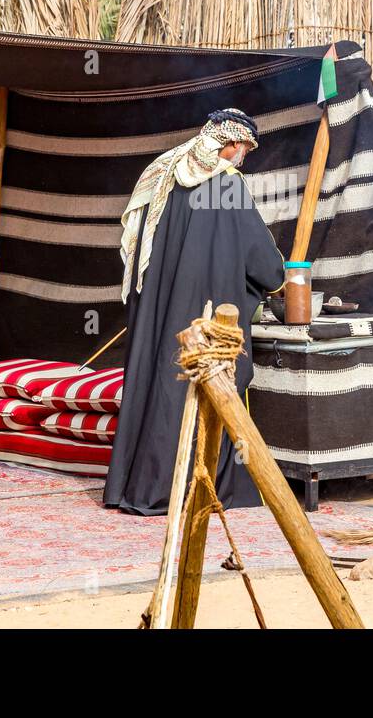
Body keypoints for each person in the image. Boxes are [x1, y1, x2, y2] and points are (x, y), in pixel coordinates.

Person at [104, 108, 285, 516]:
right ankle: (183, 487)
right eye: (245, 151)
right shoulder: (224, 184)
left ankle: (135, 485)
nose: (244, 159)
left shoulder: (162, 174)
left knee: (158, 383)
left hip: (157, 306)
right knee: (191, 388)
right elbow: (261, 261)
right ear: (233, 145)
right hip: (201, 311)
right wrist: (279, 277)